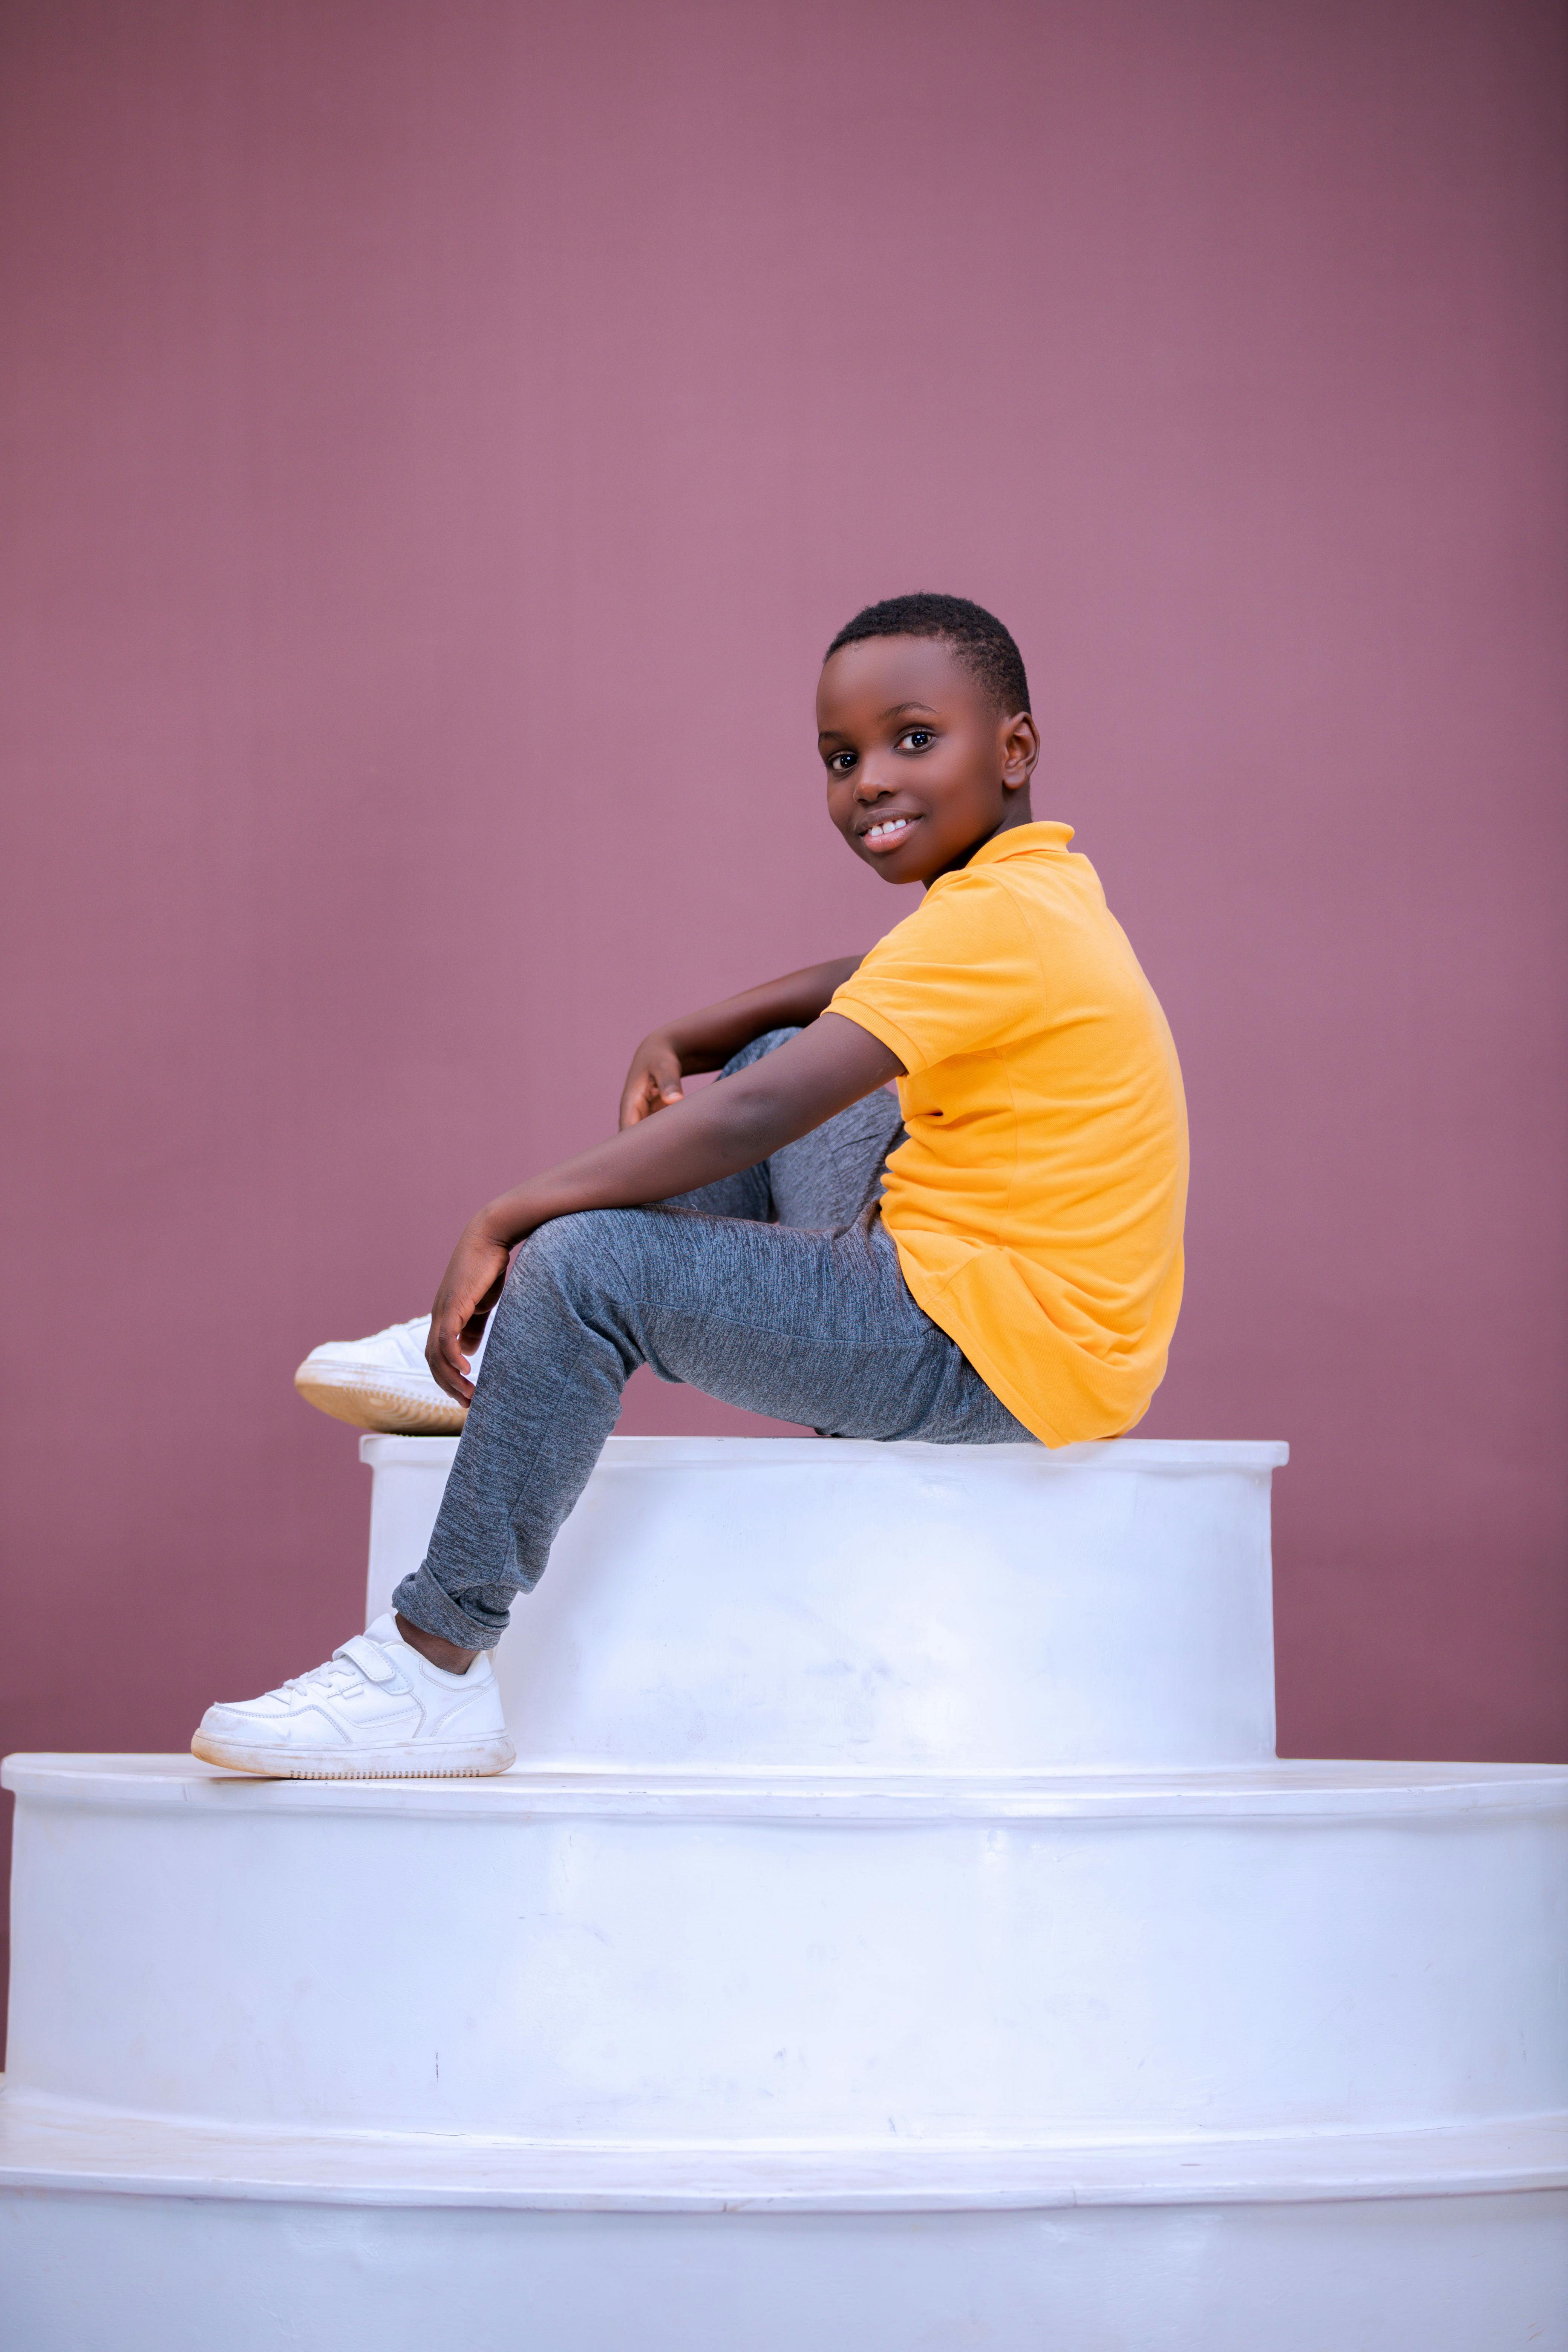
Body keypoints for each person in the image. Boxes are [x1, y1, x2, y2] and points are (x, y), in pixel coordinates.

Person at [192, 594, 1188, 1779]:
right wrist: (690, 1032)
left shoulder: (999, 920)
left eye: (914, 739)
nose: (871, 780)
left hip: (993, 1356)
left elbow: (761, 1120)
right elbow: (864, 983)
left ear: (1015, 748)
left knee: (589, 1260)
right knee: (773, 1053)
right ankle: (511, 1351)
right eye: (841, 759)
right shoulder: (1030, 895)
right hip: (997, 1303)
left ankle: (432, 1669)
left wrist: (508, 1216)